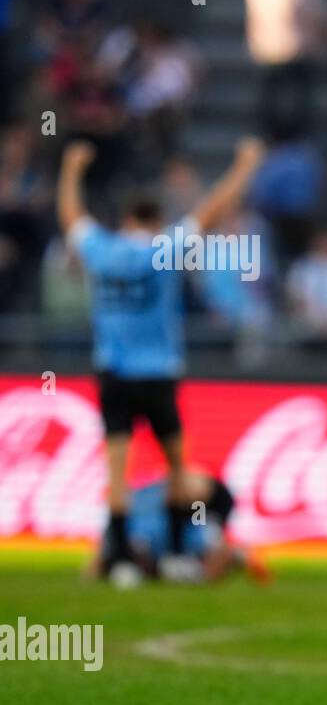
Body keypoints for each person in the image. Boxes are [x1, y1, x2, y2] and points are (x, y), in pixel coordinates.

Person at [57, 137, 265, 586]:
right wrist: (245, 167)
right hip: (157, 373)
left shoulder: (104, 249)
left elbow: (71, 219)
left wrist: (72, 169)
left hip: (111, 372)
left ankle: (118, 560)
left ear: (126, 218)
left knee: (117, 467)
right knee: (176, 467)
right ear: (154, 220)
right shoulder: (163, 249)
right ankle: (173, 553)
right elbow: (212, 211)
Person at [86, 469, 270, 585]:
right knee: (199, 558)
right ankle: (237, 555)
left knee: (205, 542)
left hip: (196, 510)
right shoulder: (136, 524)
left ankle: (237, 555)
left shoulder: (193, 517)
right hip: (188, 515)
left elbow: (197, 494)